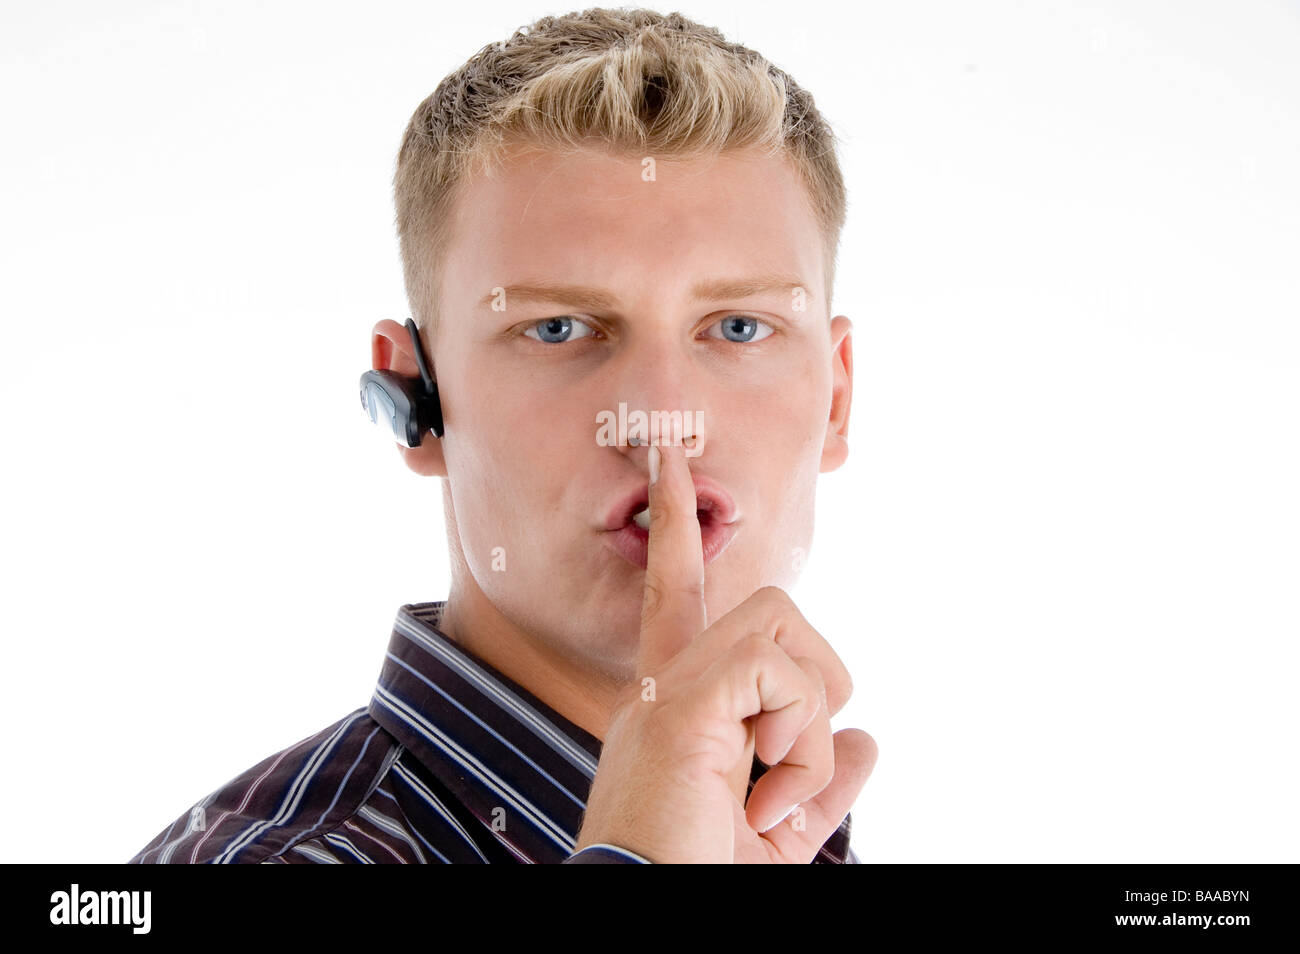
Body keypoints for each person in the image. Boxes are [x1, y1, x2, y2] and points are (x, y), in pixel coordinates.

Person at [130, 6, 878, 865]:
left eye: (739, 328)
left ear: (835, 396)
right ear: (419, 395)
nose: (663, 419)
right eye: (559, 328)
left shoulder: (782, 833)